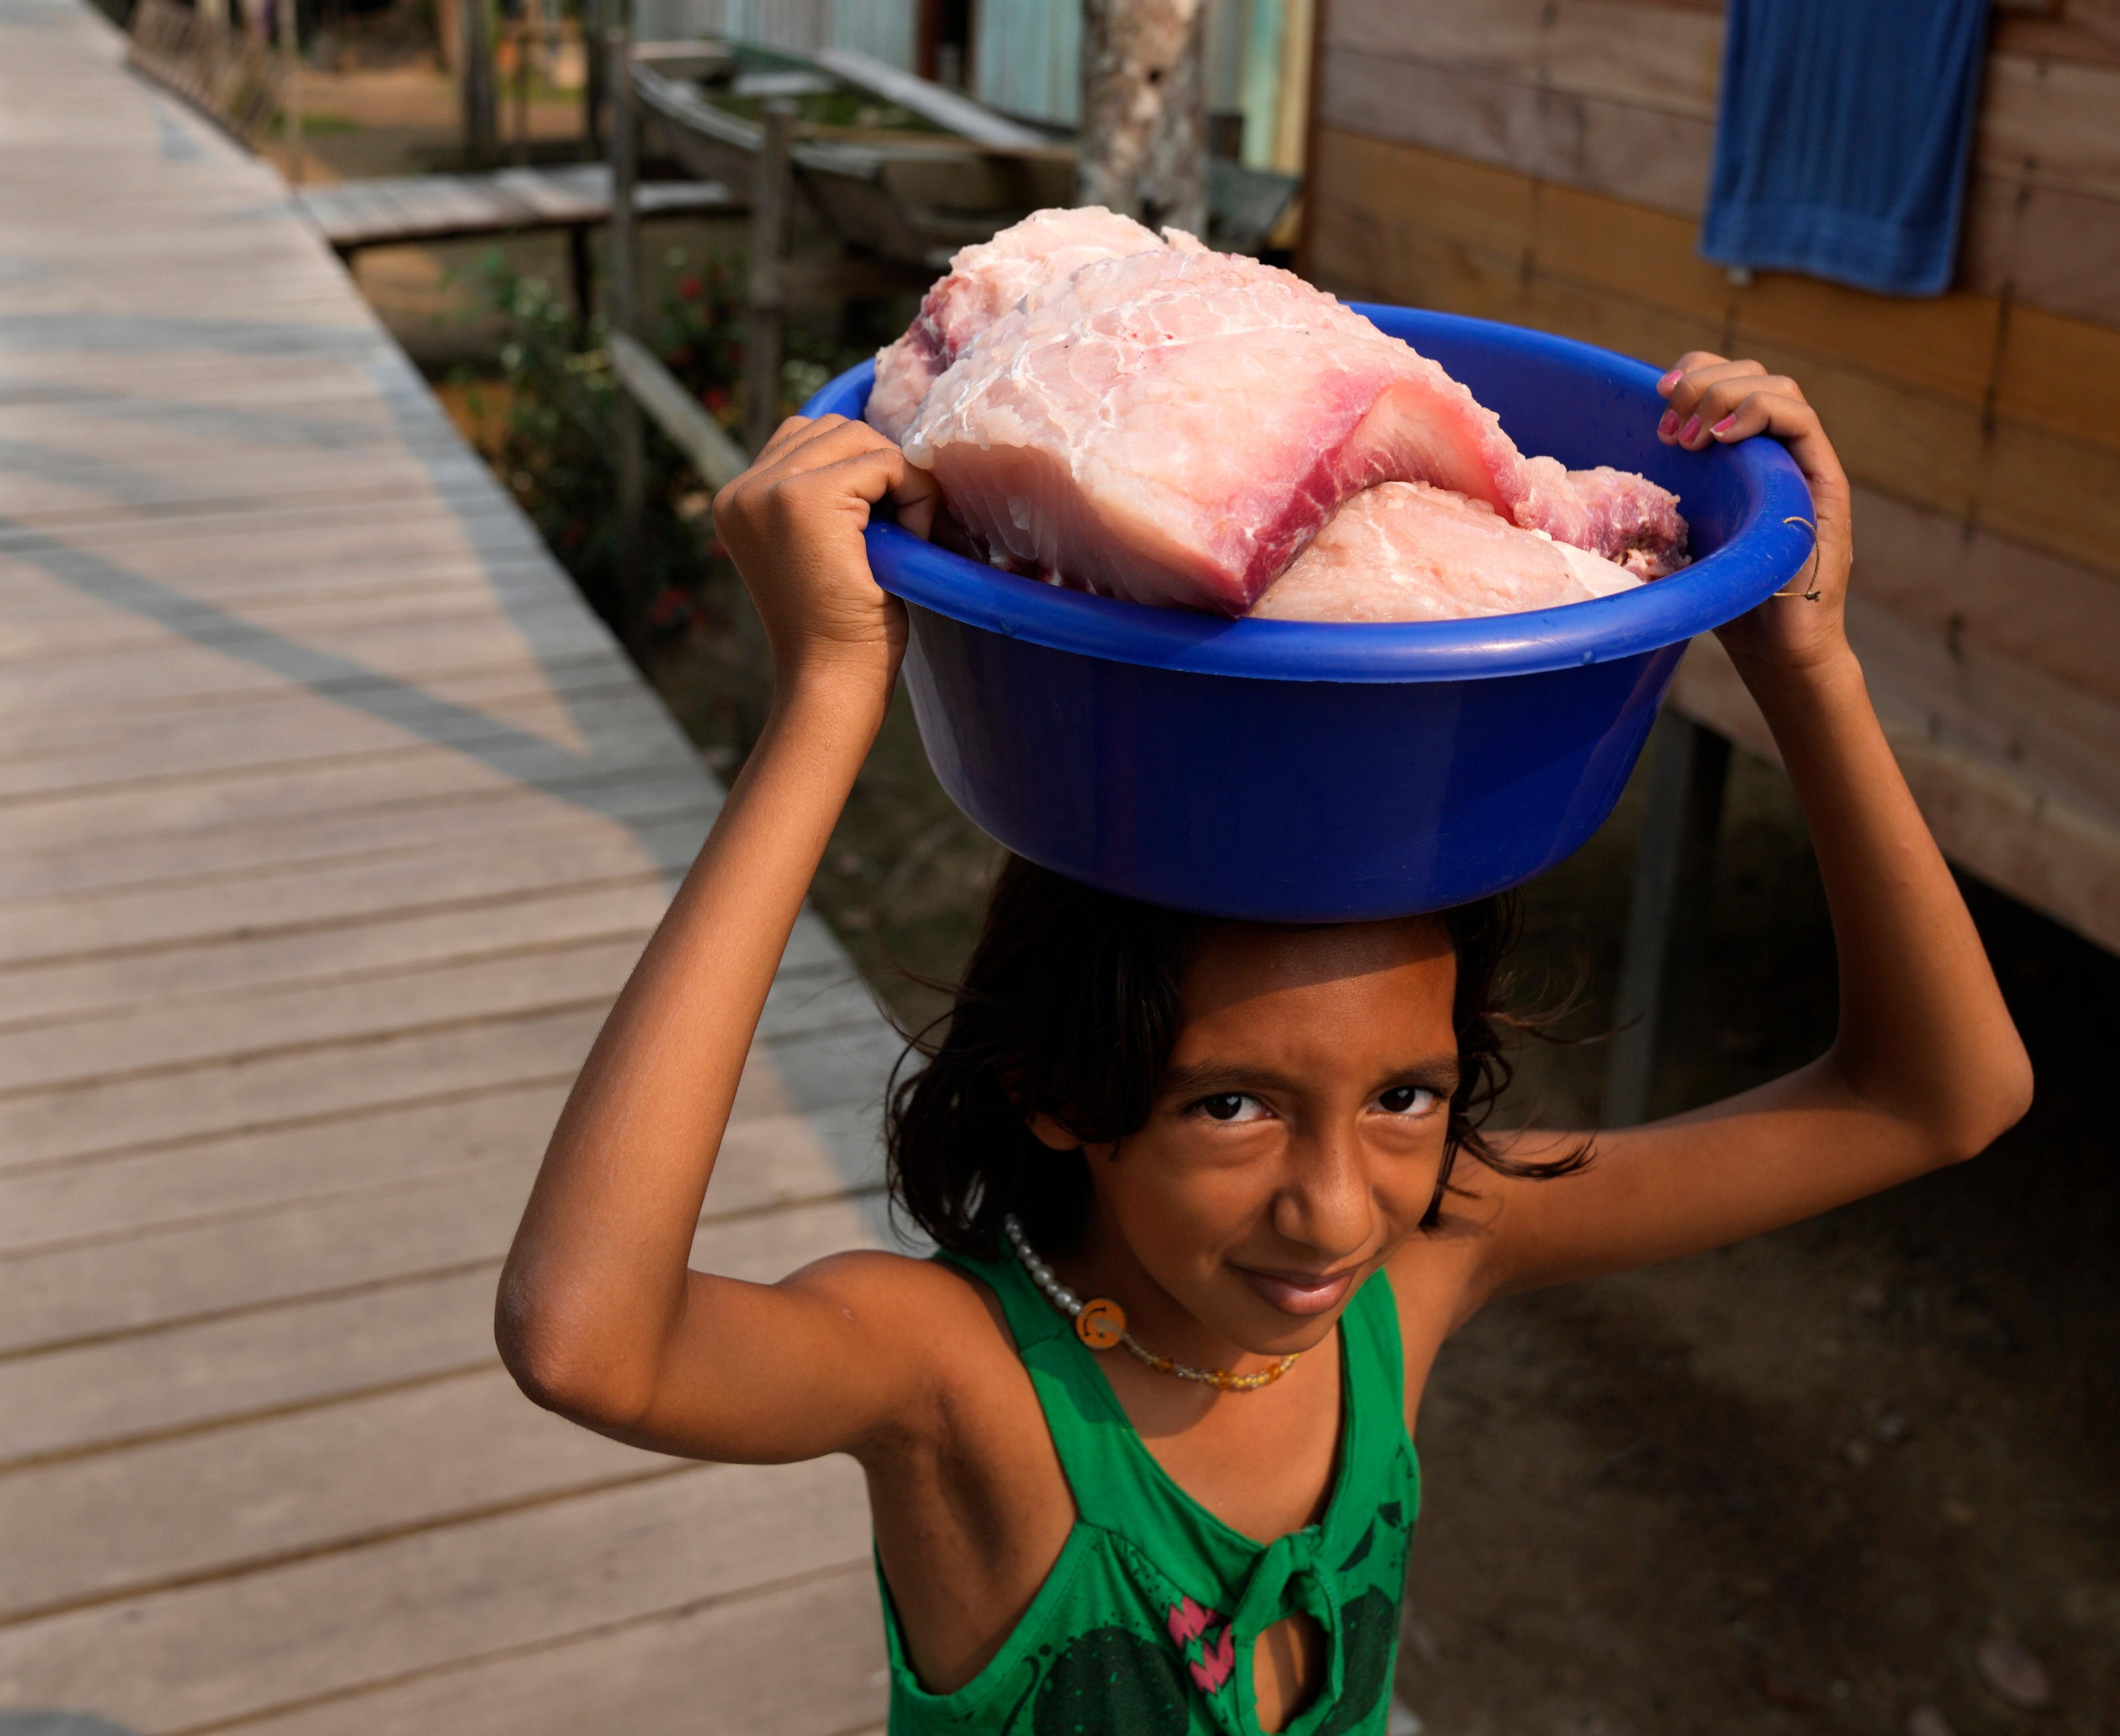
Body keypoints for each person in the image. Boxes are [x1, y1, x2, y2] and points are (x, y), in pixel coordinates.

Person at [498, 354, 2033, 1735]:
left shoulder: (1433, 1253)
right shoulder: (956, 1384)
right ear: (1055, 1081)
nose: (1337, 1207)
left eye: (1404, 1095)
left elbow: (1938, 1098)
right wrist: (829, 698)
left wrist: (1804, 663)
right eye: (1228, 1102)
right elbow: (588, 1340)